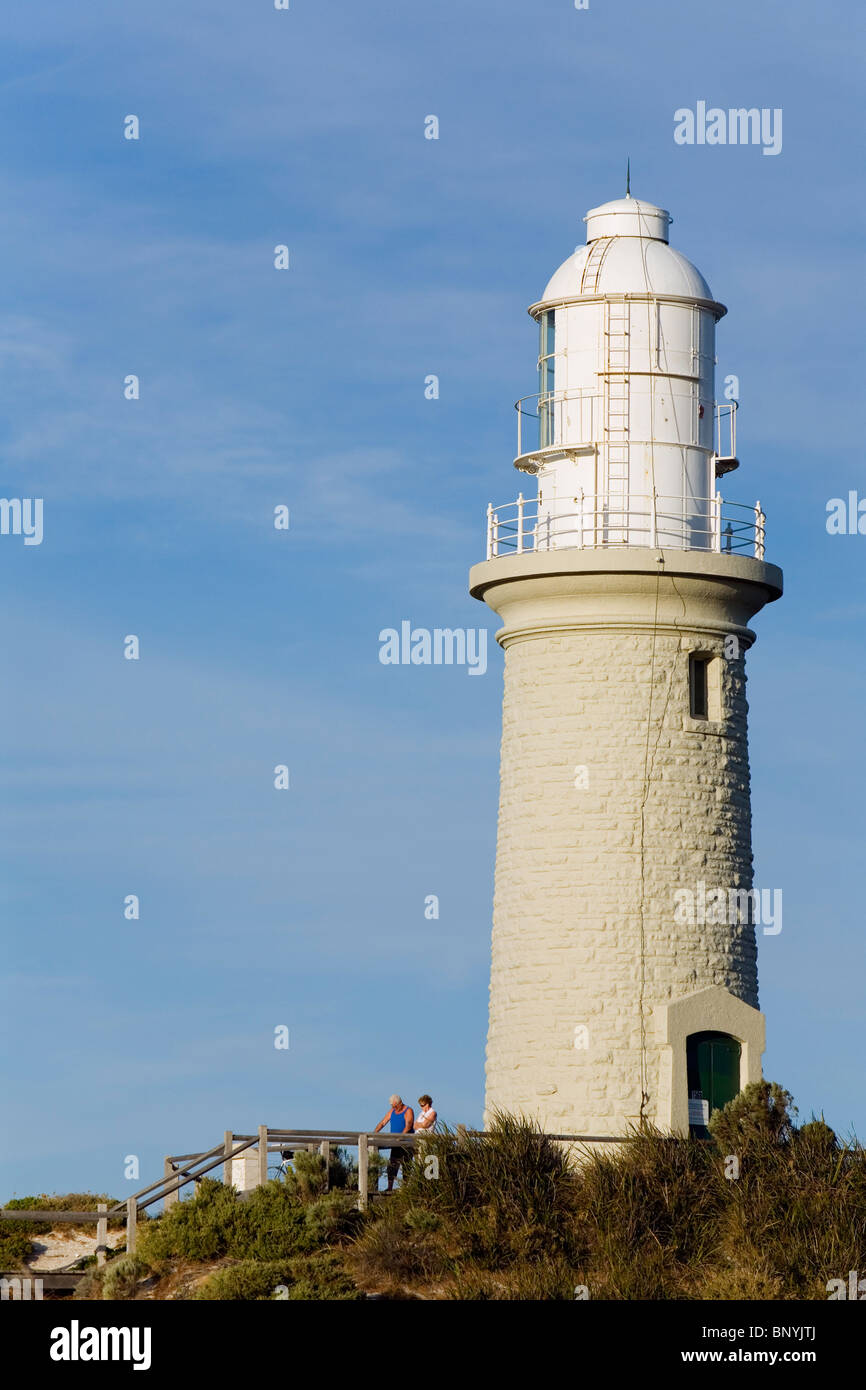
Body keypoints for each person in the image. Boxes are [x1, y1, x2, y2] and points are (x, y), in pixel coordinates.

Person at [373, 1094, 414, 1193]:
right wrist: (373, 1134)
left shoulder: (408, 1110)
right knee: (392, 1165)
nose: (394, 1108)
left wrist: (400, 1137)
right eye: (392, 1106)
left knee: (406, 1166)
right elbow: (383, 1122)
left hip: (406, 1143)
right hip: (395, 1144)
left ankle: (405, 1188)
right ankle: (390, 1187)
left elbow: (408, 1126)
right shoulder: (392, 1111)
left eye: (395, 1106)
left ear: (400, 1103)